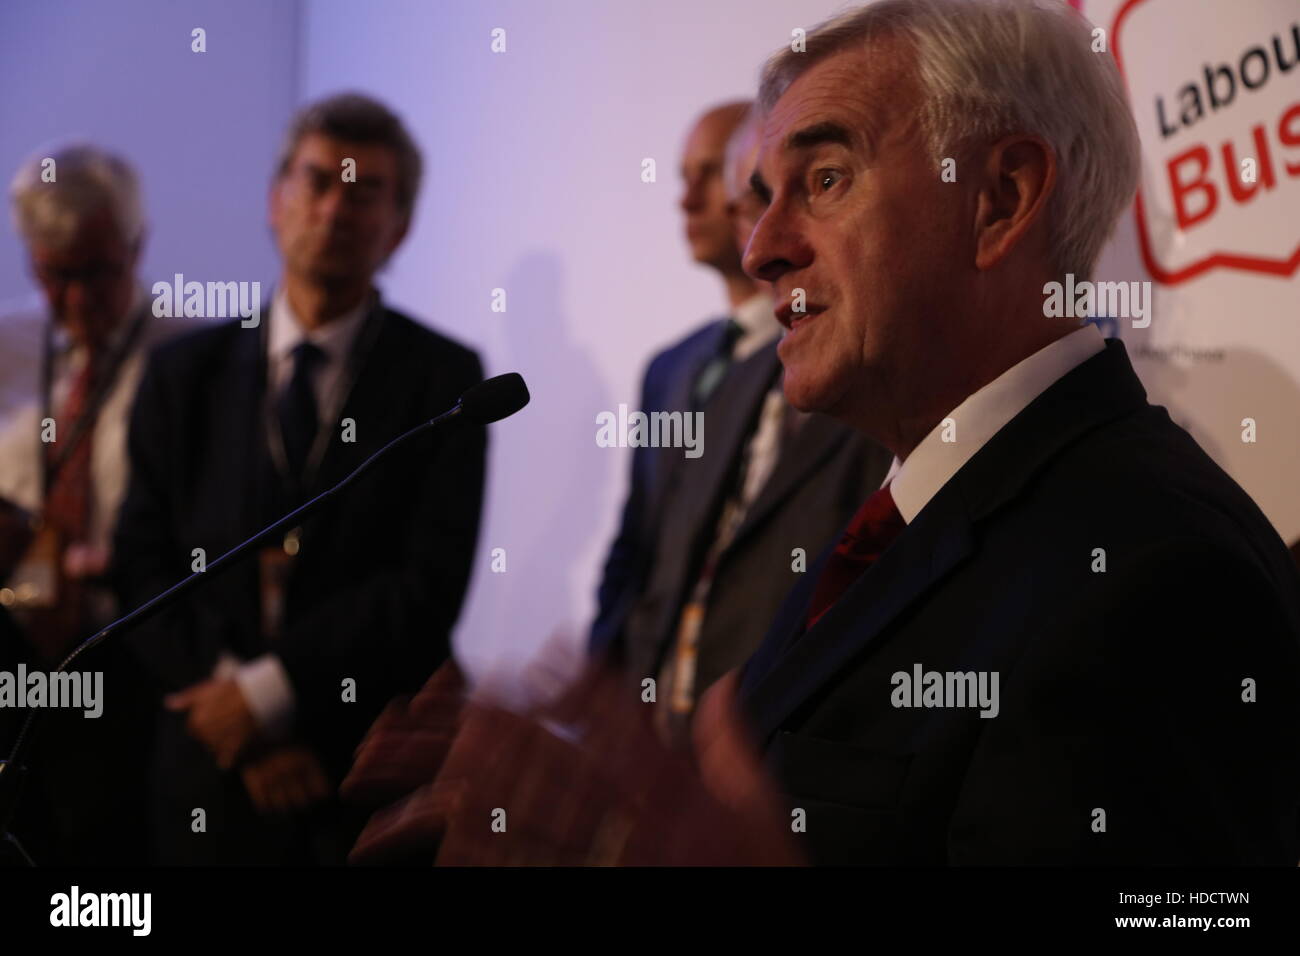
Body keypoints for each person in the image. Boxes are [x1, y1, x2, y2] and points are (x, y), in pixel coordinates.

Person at [349, 0, 1300, 867]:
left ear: (1001, 199)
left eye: (826, 178)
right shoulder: (890, 532)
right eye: (764, 194)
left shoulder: (1160, 570)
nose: (761, 248)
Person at [113, 93, 487, 864]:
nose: (334, 209)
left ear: (400, 226)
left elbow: (424, 588)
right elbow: (143, 570)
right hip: (203, 769)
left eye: (364, 192)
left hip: (357, 773)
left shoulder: (446, 379)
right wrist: (240, 720)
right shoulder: (183, 374)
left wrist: (271, 696)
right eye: (317, 181)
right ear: (275, 199)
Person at [592, 104, 891, 738]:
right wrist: (604, 694)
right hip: (660, 730)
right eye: (754, 198)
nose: (757, 235)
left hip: (772, 748)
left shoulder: (867, 381)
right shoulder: (702, 372)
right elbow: (644, 547)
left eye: (819, 185)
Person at [0, 145, 195, 864]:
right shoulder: (6, 346)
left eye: (100, 272)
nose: (78, 299)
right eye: (57, 276)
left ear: (138, 246)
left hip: (133, 653)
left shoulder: (195, 352)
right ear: (29, 259)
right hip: (14, 648)